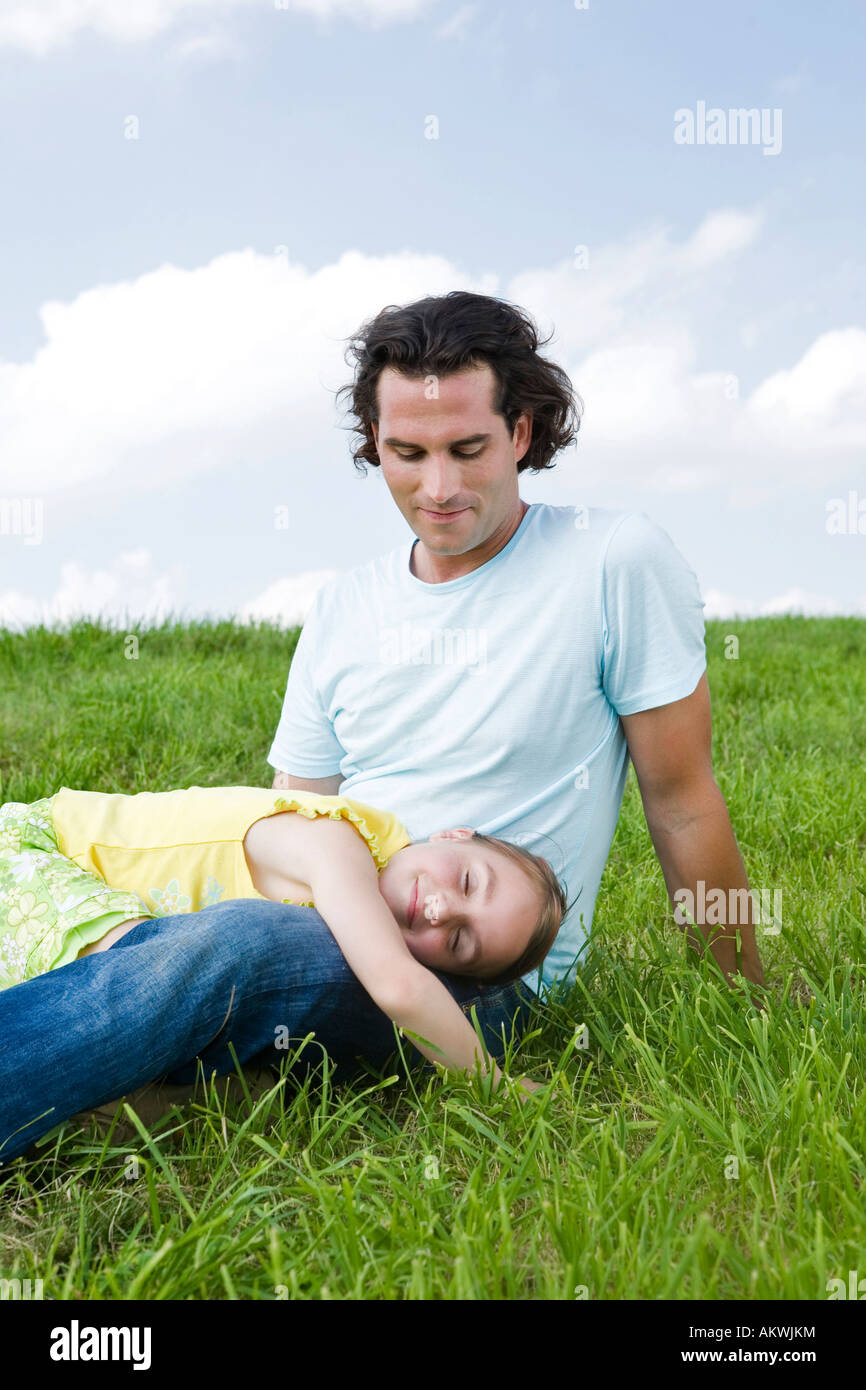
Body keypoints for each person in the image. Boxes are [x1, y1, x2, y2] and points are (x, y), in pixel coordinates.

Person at [0, 289, 765, 1166]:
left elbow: (682, 800)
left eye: (467, 449)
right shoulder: (344, 606)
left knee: (239, 949)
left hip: (478, 977)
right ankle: (168, 1078)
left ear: (520, 433)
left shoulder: (612, 561)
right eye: (407, 453)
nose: (437, 489)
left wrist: (742, 996)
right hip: (335, 912)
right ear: (376, 445)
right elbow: (293, 814)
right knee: (194, 937)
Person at [0, 785, 567, 1089]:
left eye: (460, 943)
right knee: (147, 979)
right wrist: (492, 1081)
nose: (443, 910)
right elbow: (398, 985)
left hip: (72, 899)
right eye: (468, 880)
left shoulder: (362, 884)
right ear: (454, 834)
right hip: (40, 855)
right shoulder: (340, 844)